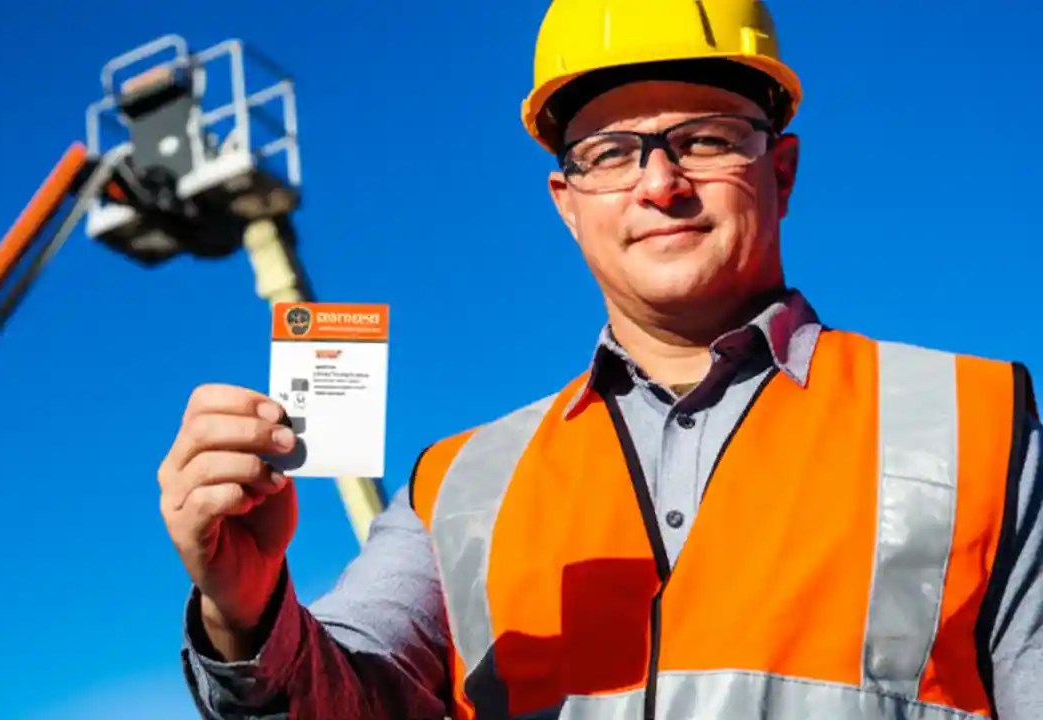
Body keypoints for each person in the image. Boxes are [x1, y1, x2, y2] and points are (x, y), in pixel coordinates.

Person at [157, 1, 1043, 718]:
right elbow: (356, 701)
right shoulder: (460, 484)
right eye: (611, 153)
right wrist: (246, 614)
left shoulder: (978, 422)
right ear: (567, 204)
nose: (660, 183)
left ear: (781, 172)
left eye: (704, 138)